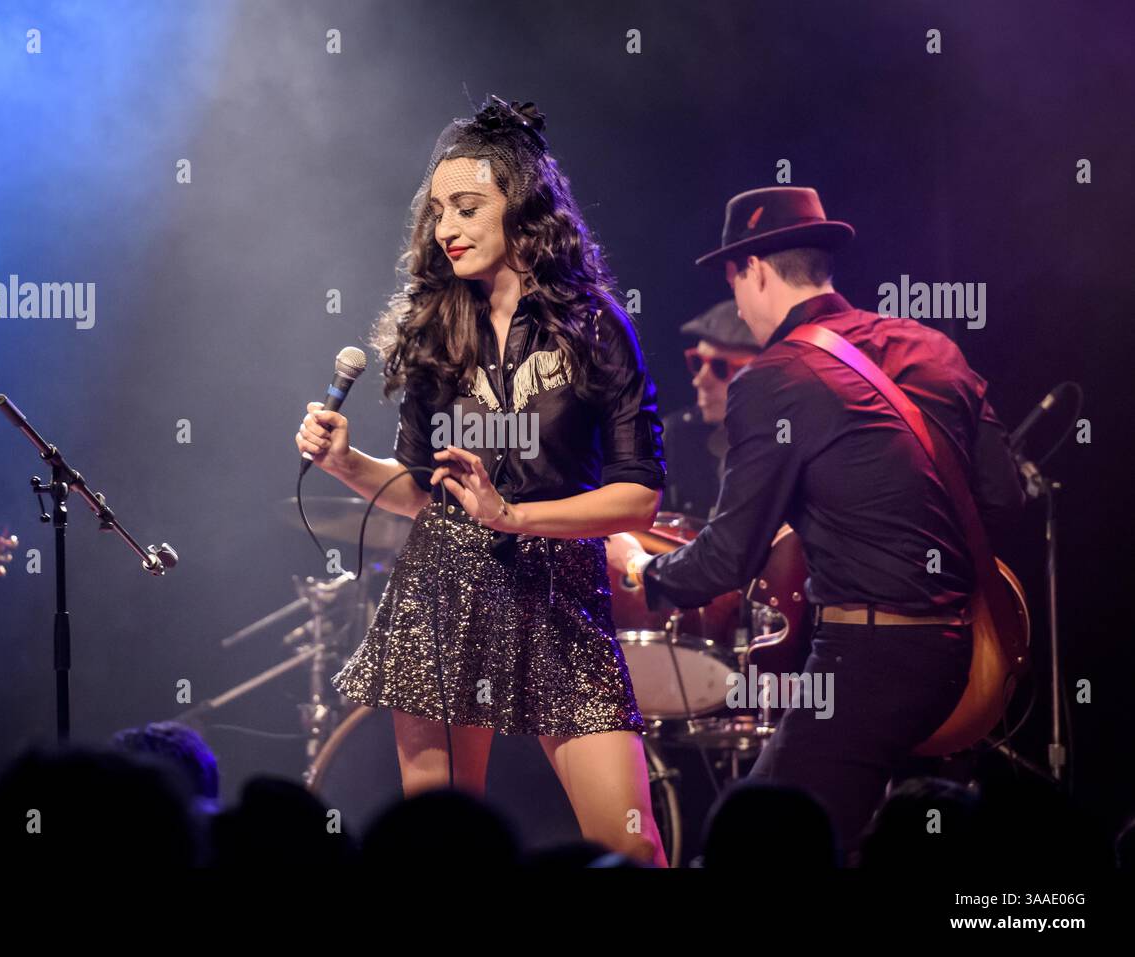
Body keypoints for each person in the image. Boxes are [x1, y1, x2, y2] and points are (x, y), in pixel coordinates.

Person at [294, 96, 669, 865]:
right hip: (444, 591)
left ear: (523, 210)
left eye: (466, 208)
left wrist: (514, 516)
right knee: (442, 854)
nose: (446, 229)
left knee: (634, 849)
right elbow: (418, 491)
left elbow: (639, 494)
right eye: (437, 212)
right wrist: (345, 461)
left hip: (562, 592)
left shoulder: (595, 326)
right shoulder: (434, 327)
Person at [608, 186, 1024, 854]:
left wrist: (641, 570)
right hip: (959, 655)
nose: (736, 301)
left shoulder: (774, 378)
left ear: (757, 270)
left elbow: (727, 557)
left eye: (733, 279)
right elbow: (1005, 497)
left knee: (759, 842)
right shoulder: (933, 347)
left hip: (868, 658)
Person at [661, 300, 758, 520]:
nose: (700, 381)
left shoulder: (789, 445)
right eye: (697, 361)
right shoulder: (676, 433)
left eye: (719, 367)